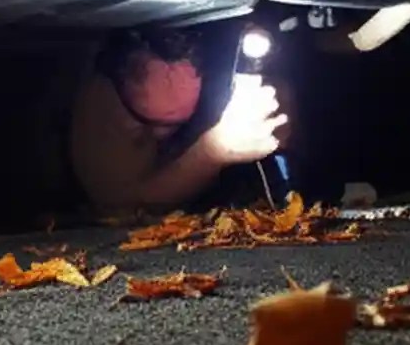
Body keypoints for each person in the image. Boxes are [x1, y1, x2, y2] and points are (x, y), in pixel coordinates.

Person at [64, 27, 289, 214]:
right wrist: (213, 151)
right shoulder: (102, 102)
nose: (163, 135)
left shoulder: (227, 67)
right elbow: (120, 208)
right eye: (143, 129)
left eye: (175, 124)